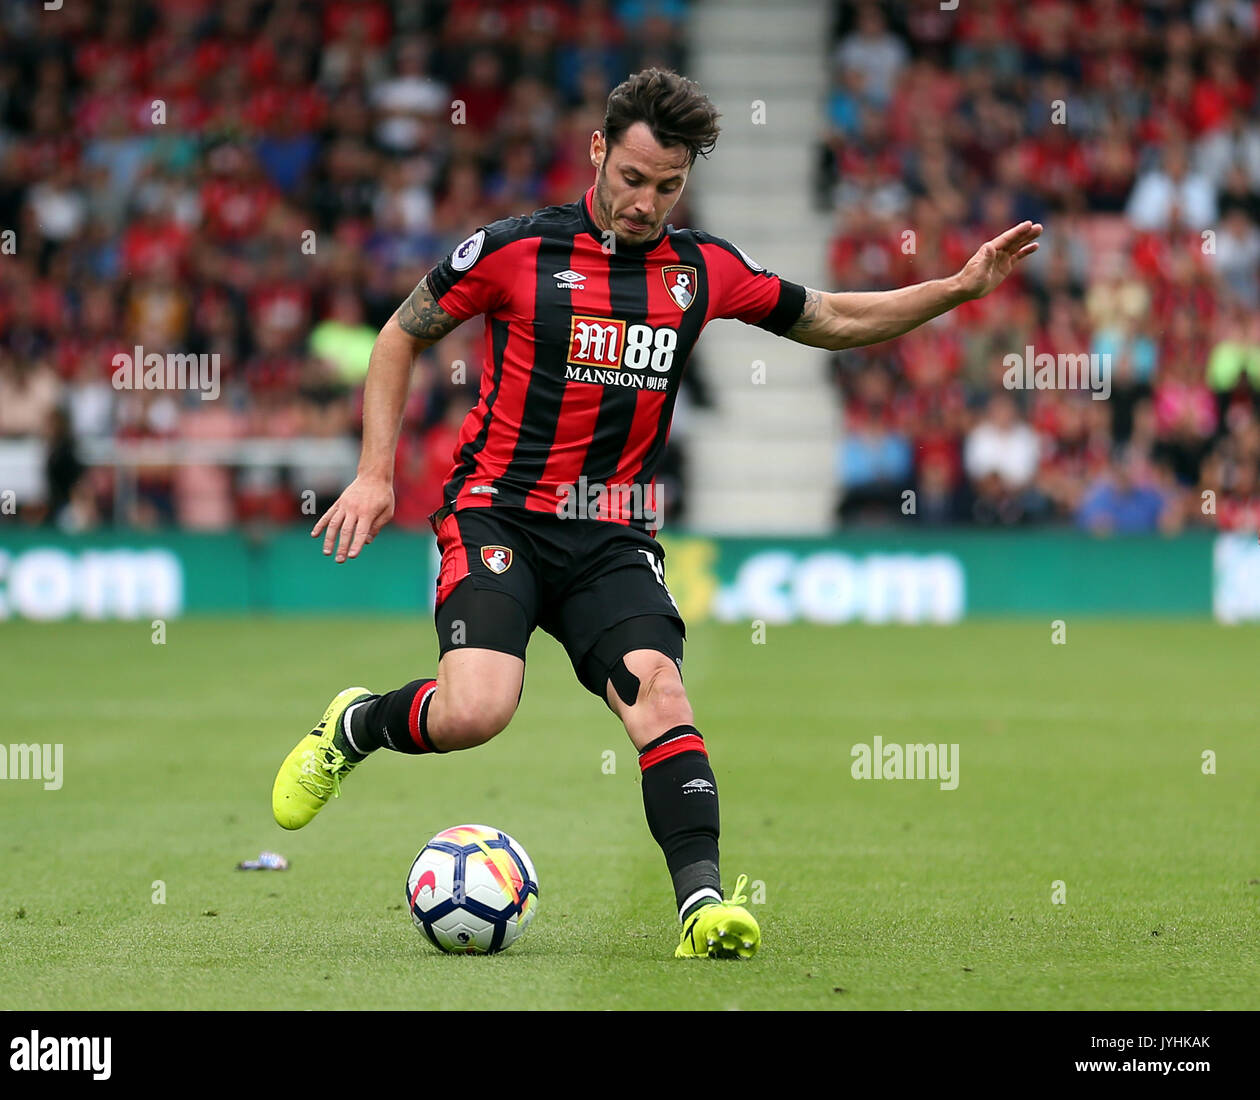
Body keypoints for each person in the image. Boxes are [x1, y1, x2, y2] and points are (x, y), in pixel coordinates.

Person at [271, 69, 1041, 959]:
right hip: (500, 516)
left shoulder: (701, 270)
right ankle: (356, 726)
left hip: (613, 533)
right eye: (632, 179)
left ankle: (702, 907)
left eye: (666, 186)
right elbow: (403, 333)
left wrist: (955, 287)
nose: (644, 202)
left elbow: (829, 316)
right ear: (599, 151)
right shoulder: (516, 251)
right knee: (477, 712)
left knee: (661, 693)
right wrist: (375, 473)